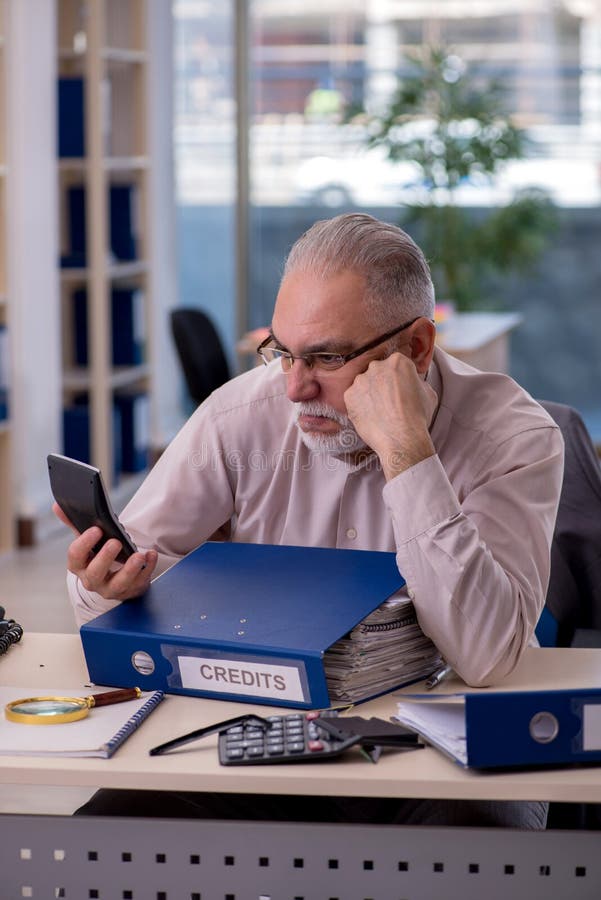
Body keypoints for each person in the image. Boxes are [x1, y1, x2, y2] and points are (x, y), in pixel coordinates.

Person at [56, 213, 563, 828]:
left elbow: (486, 658)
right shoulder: (241, 415)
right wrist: (108, 586)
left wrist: (406, 453)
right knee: (110, 835)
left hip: (446, 751)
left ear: (417, 348)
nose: (294, 388)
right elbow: (118, 592)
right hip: (264, 738)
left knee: (483, 845)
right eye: (283, 352)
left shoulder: (513, 437)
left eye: (326, 357)